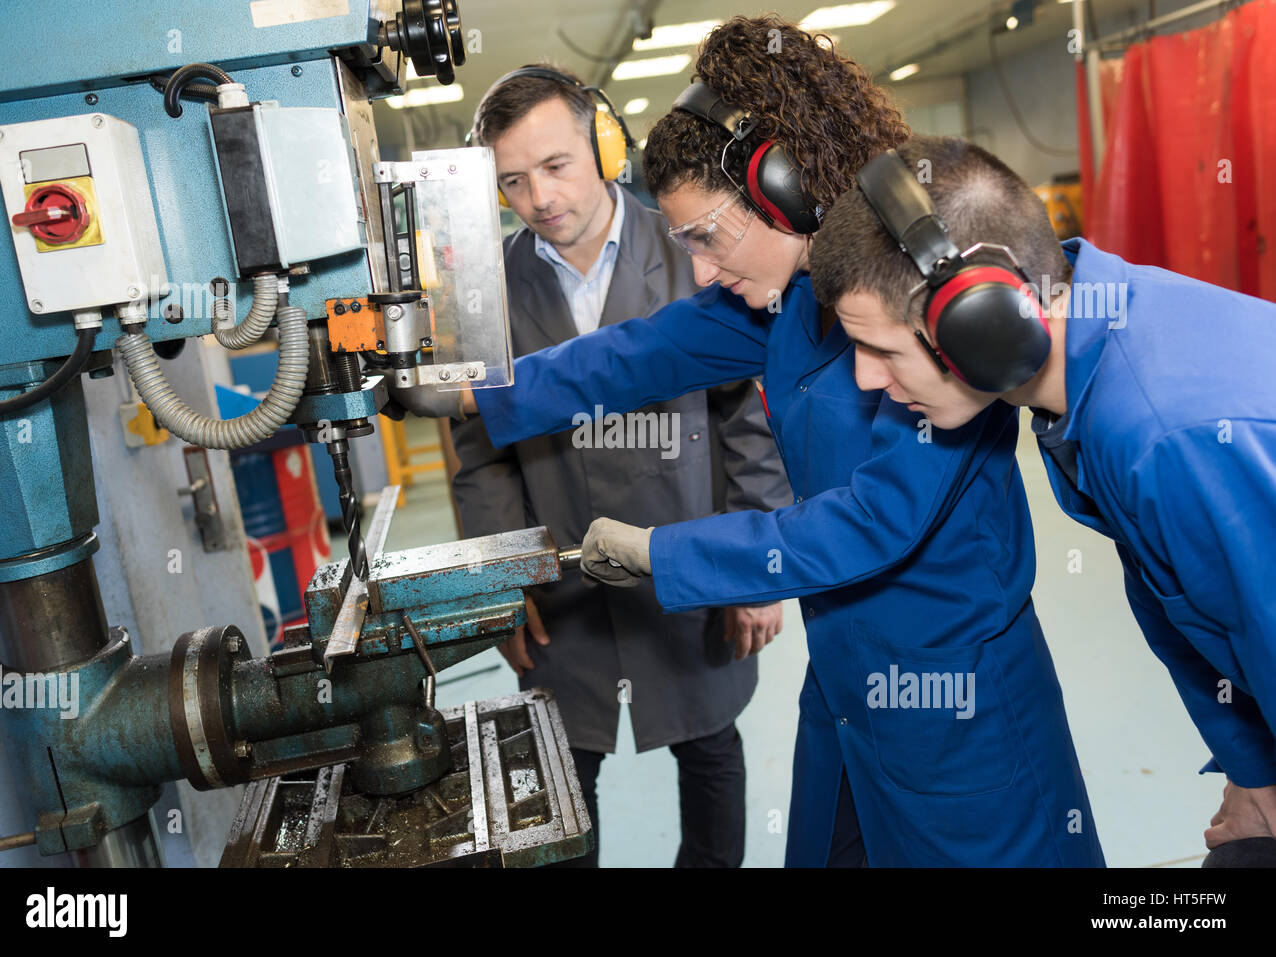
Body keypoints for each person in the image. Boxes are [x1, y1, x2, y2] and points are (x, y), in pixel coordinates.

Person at [397, 16, 1103, 867]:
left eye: (706, 237)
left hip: (958, 702)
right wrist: (480, 390)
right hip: (842, 682)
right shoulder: (783, 301)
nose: (697, 268)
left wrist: (668, 554)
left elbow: (866, 523)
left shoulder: (921, 321)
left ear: (787, 188)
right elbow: (637, 353)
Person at [810, 134, 1276, 865]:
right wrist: (1254, 772)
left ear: (983, 323)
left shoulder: (1165, 437)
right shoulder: (1099, 352)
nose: (867, 380)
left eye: (885, 350)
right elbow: (1187, 608)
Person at [439, 65, 792, 868]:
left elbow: (745, 419)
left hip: (691, 550)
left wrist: (758, 566)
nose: (541, 197)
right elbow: (477, 450)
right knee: (562, 773)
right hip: (563, 575)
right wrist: (504, 578)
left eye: (557, 165)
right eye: (515, 182)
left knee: (709, 747)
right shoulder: (487, 292)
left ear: (601, 144)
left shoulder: (690, 253)